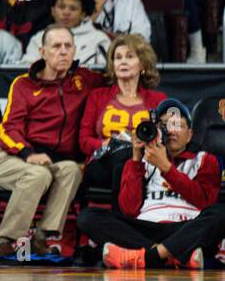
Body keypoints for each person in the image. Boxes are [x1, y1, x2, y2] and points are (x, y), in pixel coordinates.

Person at [0, 24, 97, 259]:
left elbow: (118, 78)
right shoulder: (24, 84)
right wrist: (28, 154)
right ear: (43, 52)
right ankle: (5, 240)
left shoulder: (84, 80)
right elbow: (7, 130)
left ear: (75, 51)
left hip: (51, 160)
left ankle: (41, 236)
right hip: (11, 155)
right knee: (38, 174)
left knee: (71, 171)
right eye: (56, 46)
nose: (63, 52)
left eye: (68, 46)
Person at [79, 98, 225, 270]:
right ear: (157, 130)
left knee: (221, 213)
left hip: (185, 227)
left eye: (177, 125)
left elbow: (204, 201)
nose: (171, 131)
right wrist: (135, 158)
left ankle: (147, 257)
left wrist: (166, 167)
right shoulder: (139, 161)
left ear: (190, 134)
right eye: (165, 125)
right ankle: (173, 256)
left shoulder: (205, 159)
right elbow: (128, 209)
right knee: (88, 217)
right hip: (145, 227)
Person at [79, 34, 165, 196]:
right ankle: (127, 212)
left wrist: (138, 149)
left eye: (130, 56)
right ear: (113, 65)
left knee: (131, 160)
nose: (123, 61)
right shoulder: (97, 96)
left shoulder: (158, 100)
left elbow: (165, 139)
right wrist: (110, 145)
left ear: (142, 64)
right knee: (123, 159)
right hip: (103, 163)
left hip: (145, 162)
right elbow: (84, 140)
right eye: (118, 58)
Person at [21, 0, 110, 68]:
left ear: (83, 14)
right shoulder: (39, 38)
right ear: (52, 11)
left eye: (73, 8)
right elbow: (27, 69)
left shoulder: (99, 39)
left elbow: (105, 72)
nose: (66, 12)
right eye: (61, 7)